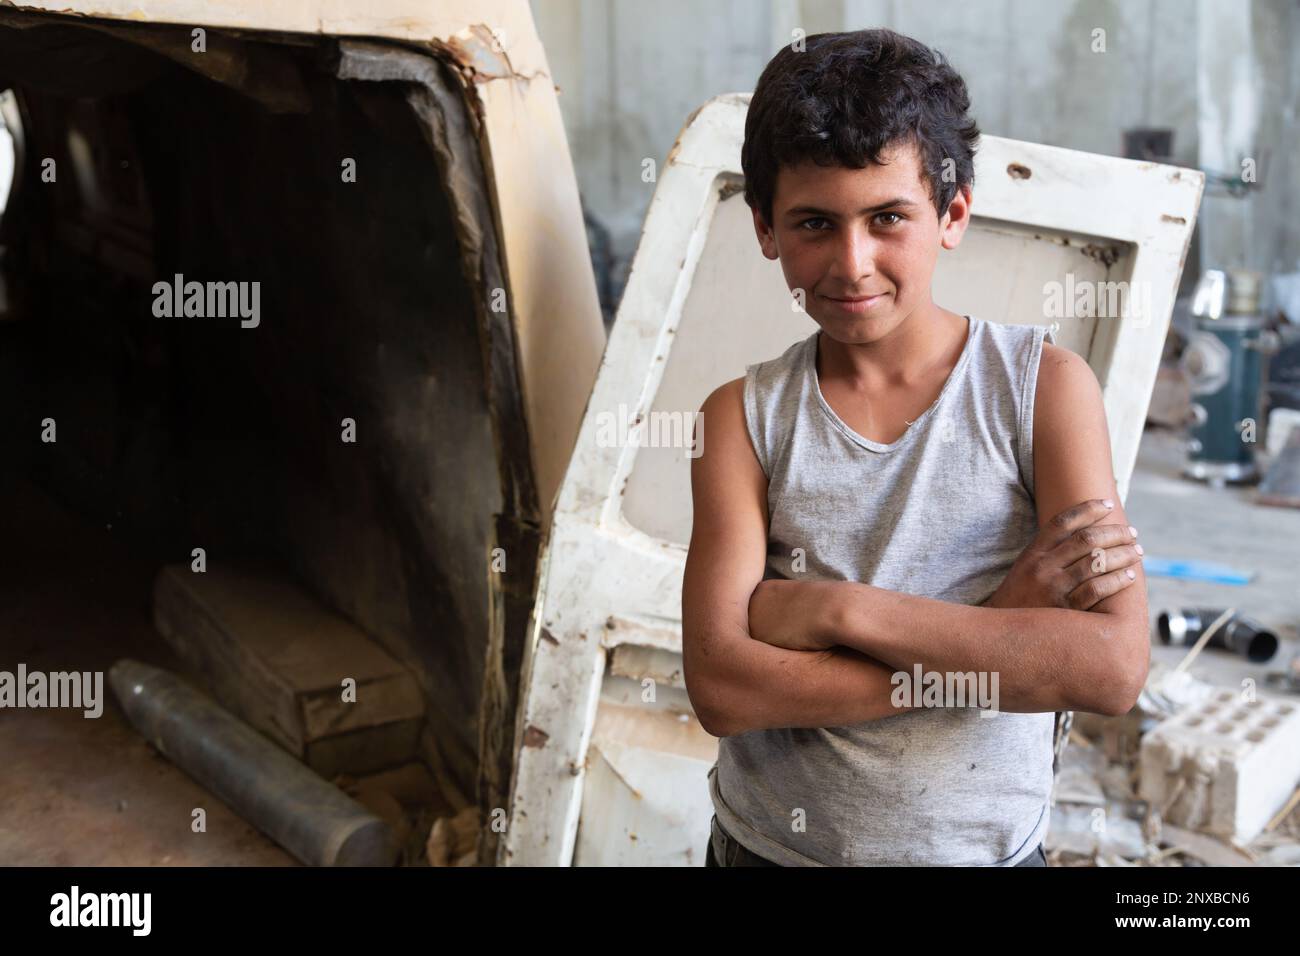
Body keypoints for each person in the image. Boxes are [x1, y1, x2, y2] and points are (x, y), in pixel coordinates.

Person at [681, 28, 1150, 867]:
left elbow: (1110, 667)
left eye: (888, 217)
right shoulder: (739, 421)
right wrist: (1002, 629)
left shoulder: (1042, 390)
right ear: (765, 229)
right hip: (769, 853)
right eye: (814, 223)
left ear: (953, 213)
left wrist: (837, 611)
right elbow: (723, 689)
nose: (852, 263)